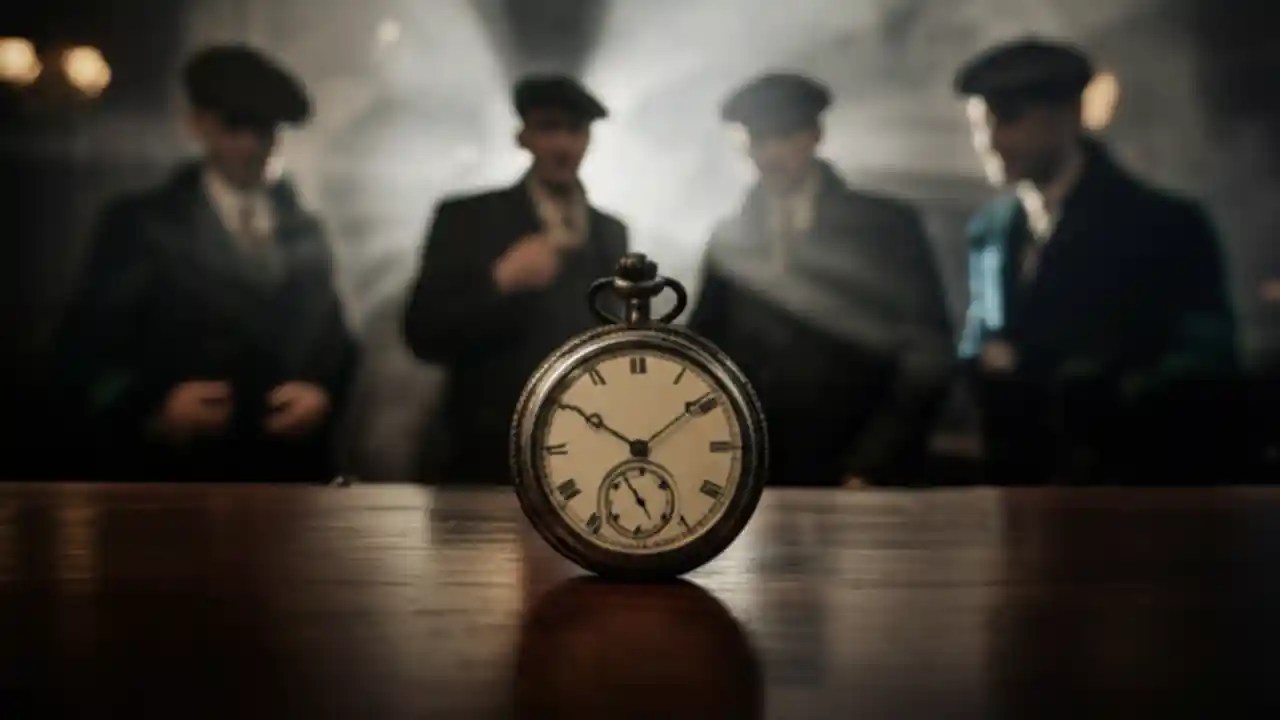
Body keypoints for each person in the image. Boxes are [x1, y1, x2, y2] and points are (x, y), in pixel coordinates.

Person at [57, 45, 355, 481]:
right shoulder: (142, 224)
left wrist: (322, 392)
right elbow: (83, 354)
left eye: (266, 129)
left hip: (286, 478)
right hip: (175, 476)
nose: (253, 146)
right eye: (236, 127)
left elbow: (336, 342)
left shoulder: (304, 228)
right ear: (199, 124)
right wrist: (154, 408)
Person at [955, 38, 1239, 483]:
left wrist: (1099, 389)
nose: (990, 141)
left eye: (1007, 119)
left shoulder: (1161, 223)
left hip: (1128, 485)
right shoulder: (990, 229)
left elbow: (1207, 359)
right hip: (1018, 484)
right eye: (980, 124)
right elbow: (981, 337)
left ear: (1067, 115)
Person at [689, 73, 954, 487]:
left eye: (784, 135)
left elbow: (927, 352)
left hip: (858, 469)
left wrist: (874, 463)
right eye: (759, 139)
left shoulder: (886, 227)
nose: (772, 153)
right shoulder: (729, 237)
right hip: (754, 474)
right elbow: (703, 354)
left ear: (815, 135)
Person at [403, 75, 627, 483]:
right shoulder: (467, 218)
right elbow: (422, 332)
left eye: (574, 130)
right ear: (522, 137)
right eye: (548, 128)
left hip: (588, 452)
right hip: (488, 453)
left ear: (588, 140)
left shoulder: (611, 232)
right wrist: (498, 282)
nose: (562, 145)